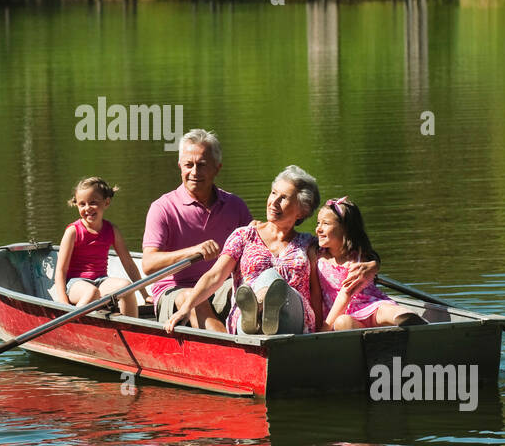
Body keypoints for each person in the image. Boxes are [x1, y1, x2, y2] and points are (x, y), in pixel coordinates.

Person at [165, 166, 323, 336]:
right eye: (273, 193)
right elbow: (215, 275)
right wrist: (186, 308)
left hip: (292, 320)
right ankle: (254, 313)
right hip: (246, 325)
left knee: (272, 278)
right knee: (261, 288)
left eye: (283, 198)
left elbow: (318, 292)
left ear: (301, 211)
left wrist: (321, 333)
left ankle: (259, 303)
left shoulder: (309, 245)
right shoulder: (244, 235)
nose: (274, 202)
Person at [142, 129, 252, 333]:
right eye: (188, 165)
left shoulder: (235, 206)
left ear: (217, 168)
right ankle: (230, 352)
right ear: (179, 167)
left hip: (219, 286)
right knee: (194, 299)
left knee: (250, 290)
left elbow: (255, 250)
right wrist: (193, 252)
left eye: (202, 165)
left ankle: (263, 339)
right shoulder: (163, 207)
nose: (194, 172)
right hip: (175, 291)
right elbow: (148, 265)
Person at [314, 196, 425, 329]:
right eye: (318, 223)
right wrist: (325, 325)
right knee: (342, 322)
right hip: (343, 315)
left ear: (345, 229)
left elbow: (346, 293)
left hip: (370, 306)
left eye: (325, 224)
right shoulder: (318, 254)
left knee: (386, 310)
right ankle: (372, 340)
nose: (318, 229)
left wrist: (325, 328)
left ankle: (415, 322)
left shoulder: (357, 258)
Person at [52, 177, 142, 317]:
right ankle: (71, 322)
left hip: (101, 281)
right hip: (76, 283)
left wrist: (144, 293)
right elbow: (61, 271)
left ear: (106, 202)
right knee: (91, 292)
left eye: (93, 203)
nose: (87, 208)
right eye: (82, 204)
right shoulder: (73, 232)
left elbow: (129, 264)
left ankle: (132, 331)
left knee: (126, 287)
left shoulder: (112, 230)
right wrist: (63, 303)